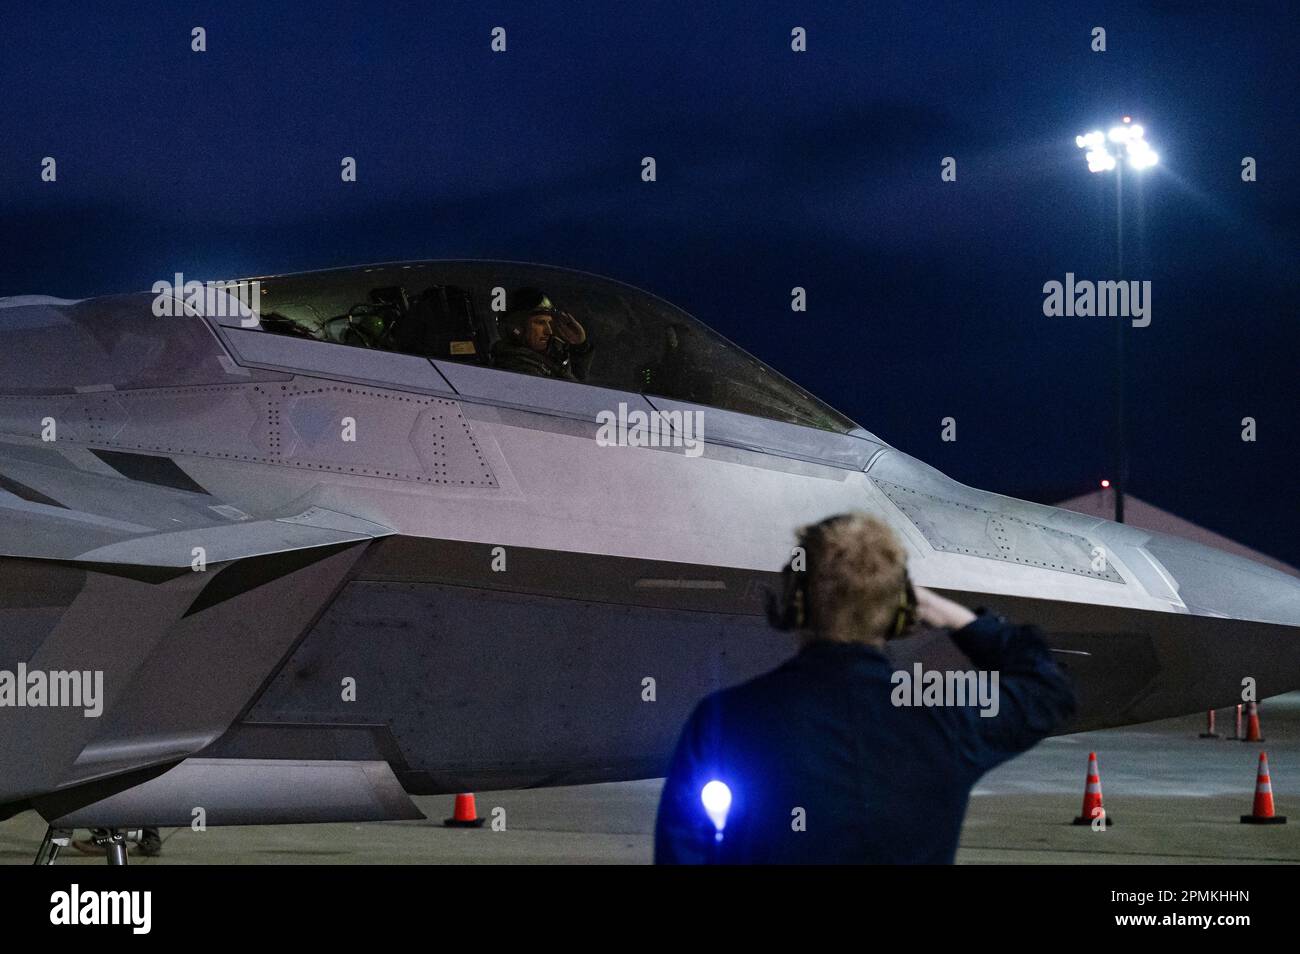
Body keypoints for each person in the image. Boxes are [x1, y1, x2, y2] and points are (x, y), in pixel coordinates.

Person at [654, 512, 1076, 864]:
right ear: (901, 612)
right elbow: (1047, 688)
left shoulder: (725, 718)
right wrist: (951, 615)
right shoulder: (946, 713)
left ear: (796, 602)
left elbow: (681, 849)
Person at [490, 288, 593, 381]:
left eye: (550, 323)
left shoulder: (548, 359)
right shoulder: (518, 370)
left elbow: (579, 385)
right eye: (540, 322)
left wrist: (579, 346)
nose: (549, 331)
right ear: (517, 328)